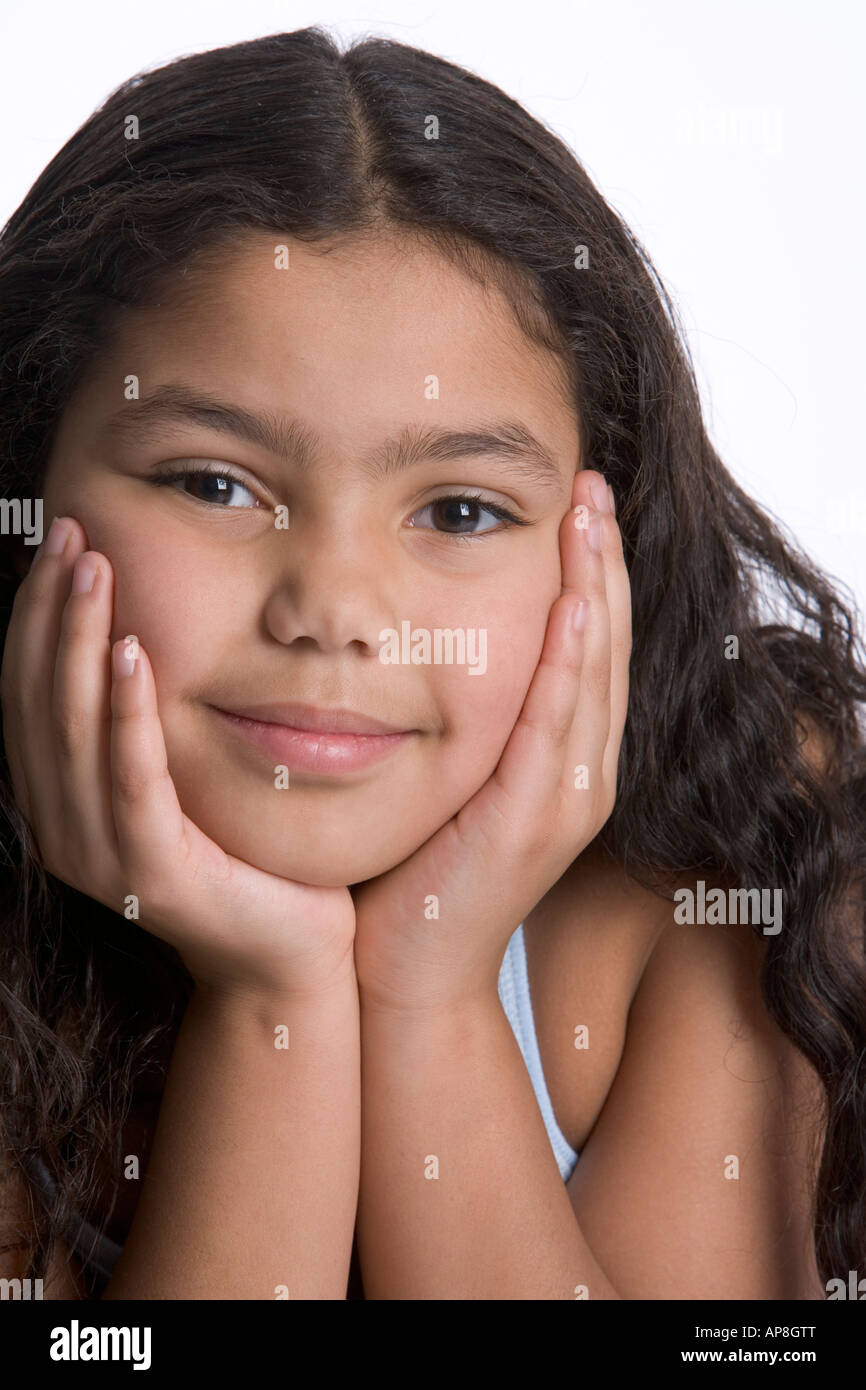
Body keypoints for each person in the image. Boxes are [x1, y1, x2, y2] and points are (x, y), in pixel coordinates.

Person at [0, 26, 863, 1301]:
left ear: (602, 546)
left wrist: (433, 996)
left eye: (458, 511)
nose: (335, 612)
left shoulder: (732, 849)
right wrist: (270, 1004)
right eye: (213, 483)